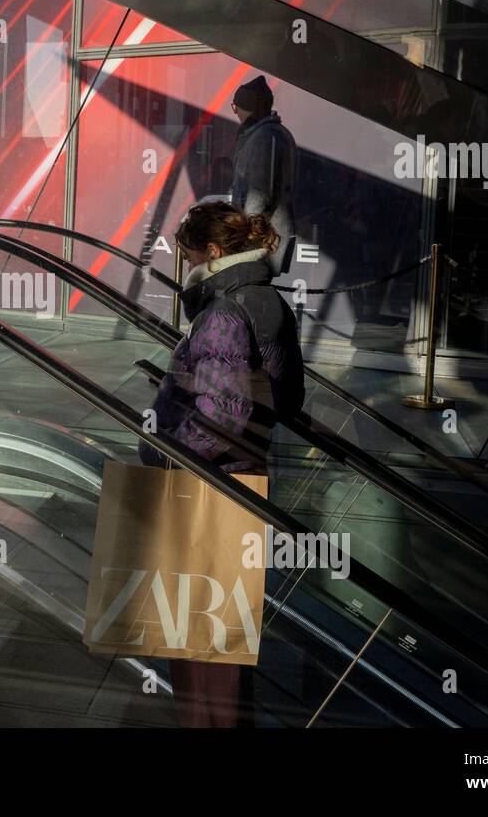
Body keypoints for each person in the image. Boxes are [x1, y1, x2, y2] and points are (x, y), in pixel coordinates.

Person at [140, 200, 306, 727]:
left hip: (211, 486)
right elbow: (286, 397)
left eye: (188, 254)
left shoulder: (222, 313)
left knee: (196, 628)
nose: (184, 265)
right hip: (247, 477)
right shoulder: (266, 301)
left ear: (212, 253)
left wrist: (166, 447)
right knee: (226, 626)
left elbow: (222, 414)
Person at [230, 75, 297, 276]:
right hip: (263, 235)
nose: (234, 111)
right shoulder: (274, 133)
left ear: (247, 106)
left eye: (237, 106)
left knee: (250, 290)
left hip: (259, 238)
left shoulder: (264, 137)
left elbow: (260, 193)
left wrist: (244, 235)